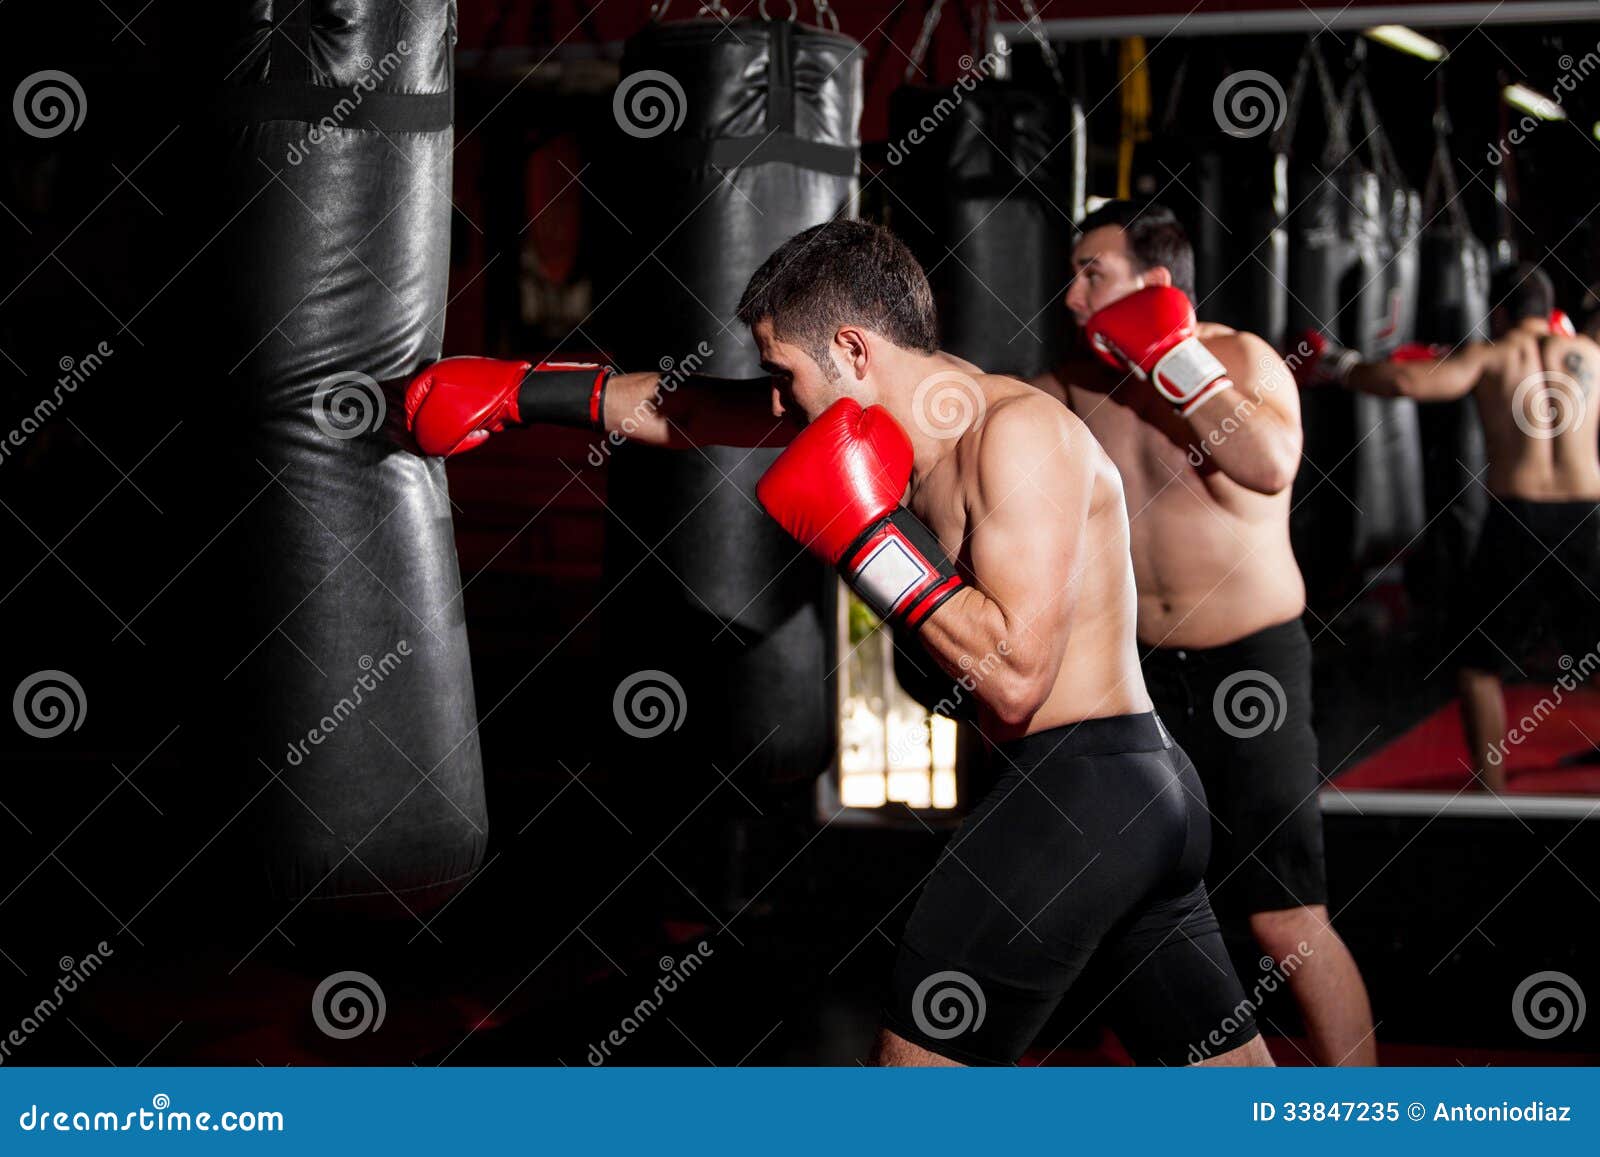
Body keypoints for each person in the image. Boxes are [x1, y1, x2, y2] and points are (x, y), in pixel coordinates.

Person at [405, 219, 1272, 1067]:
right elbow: (693, 409)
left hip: (1082, 789)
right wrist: (521, 392)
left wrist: (866, 533)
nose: (777, 402)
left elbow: (1013, 680)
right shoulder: (878, 418)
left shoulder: (1019, 434)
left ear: (854, 350)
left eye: (785, 373)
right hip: (1129, 794)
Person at [1033, 201, 1376, 1067]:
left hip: (1248, 662)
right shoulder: (1072, 384)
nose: (1071, 293)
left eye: (1092, 273)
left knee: (1283, 913)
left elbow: (1266, 465)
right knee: (1129, 903)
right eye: (1072, 272)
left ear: (1154, 281)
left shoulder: (1238, 358)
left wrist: (1170, 356)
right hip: (1135, 675)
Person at [1304, 262, 1600, 793]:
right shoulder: (1592, 357)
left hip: (1522, 519)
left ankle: (1492, 789)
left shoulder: (1491, 355)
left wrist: (1337, 362)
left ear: (1500, 310)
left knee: (1479, 664)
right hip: (1590, 516)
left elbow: (1403, 380)